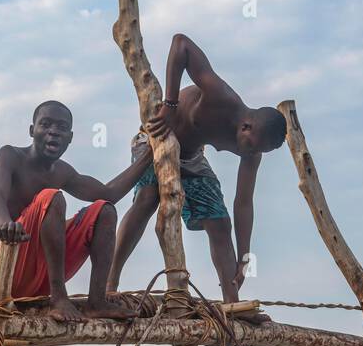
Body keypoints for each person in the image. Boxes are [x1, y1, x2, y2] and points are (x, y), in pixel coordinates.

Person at [107, 34, 286, 302]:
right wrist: (170, 105)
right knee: (148, 198)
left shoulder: (252, 150)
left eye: (259, 151)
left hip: (191, 156)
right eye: (252, 146)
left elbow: (244, 202)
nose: (252, 153)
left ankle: (231, 303)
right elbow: (181, 44)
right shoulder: (221, 97)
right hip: (157, 139)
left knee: (220, 222)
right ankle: (109, 285)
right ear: (246, 125)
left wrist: (244, 255)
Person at [0, 100, 154, 321]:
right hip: (4, 269)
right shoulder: (10, 156)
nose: (53, 132)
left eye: (62, 128)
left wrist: (150, 154)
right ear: (32, 131)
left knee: (104, 210)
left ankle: (97, 301)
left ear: (70, 138)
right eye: (46, 125)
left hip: (40, 276)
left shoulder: (63, 172)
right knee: (51, 197)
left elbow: (109, 193)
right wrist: (5, 224)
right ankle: (59, 298)